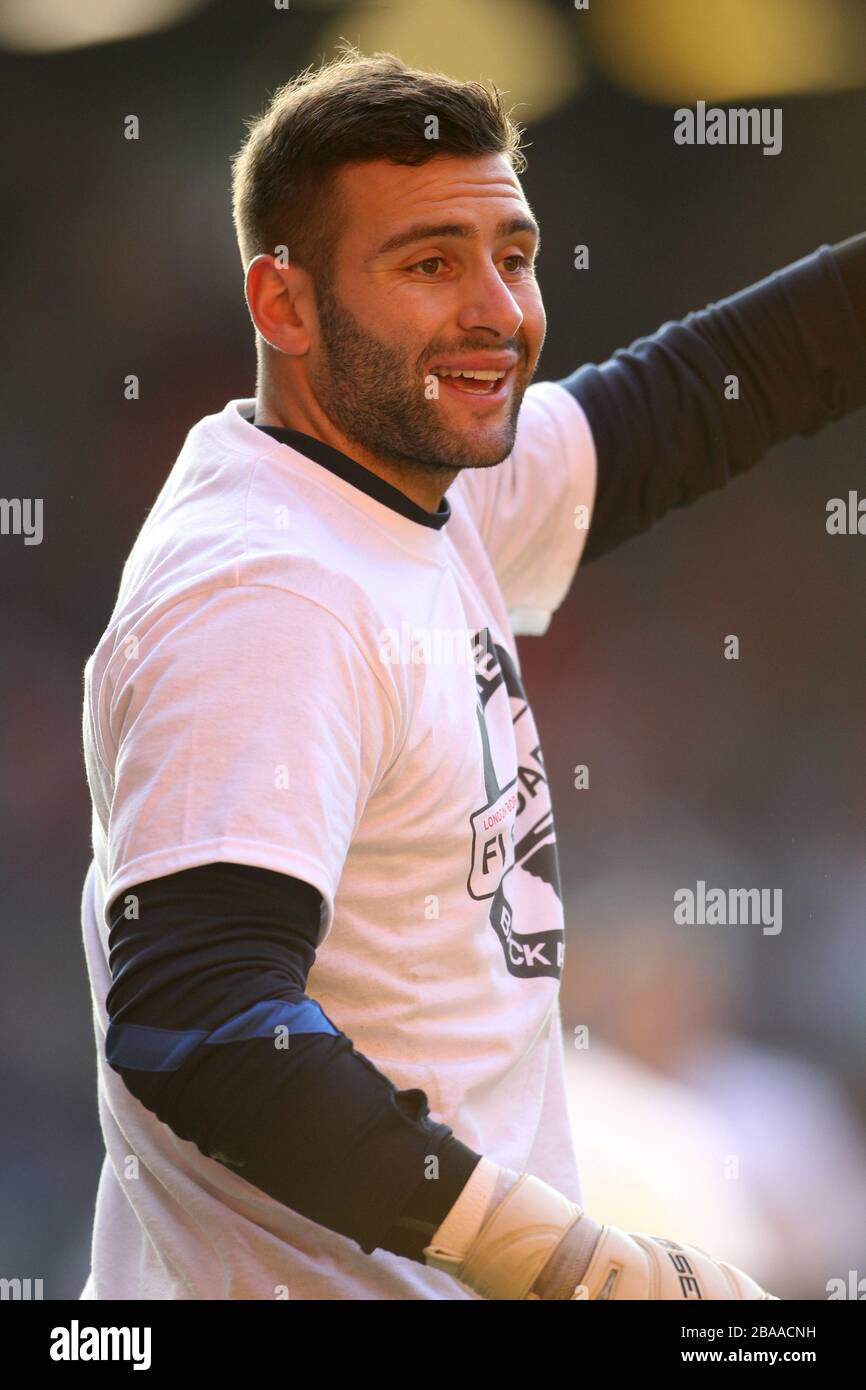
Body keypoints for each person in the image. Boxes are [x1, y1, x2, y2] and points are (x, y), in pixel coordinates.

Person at [78, 45, 865, 1300]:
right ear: (280, 305)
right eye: (429, 262)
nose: (497, 309)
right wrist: (567, 1264)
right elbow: (201, 1022)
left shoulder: (394, 491)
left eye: (514, 253)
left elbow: (704, 395)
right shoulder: (267, 589)